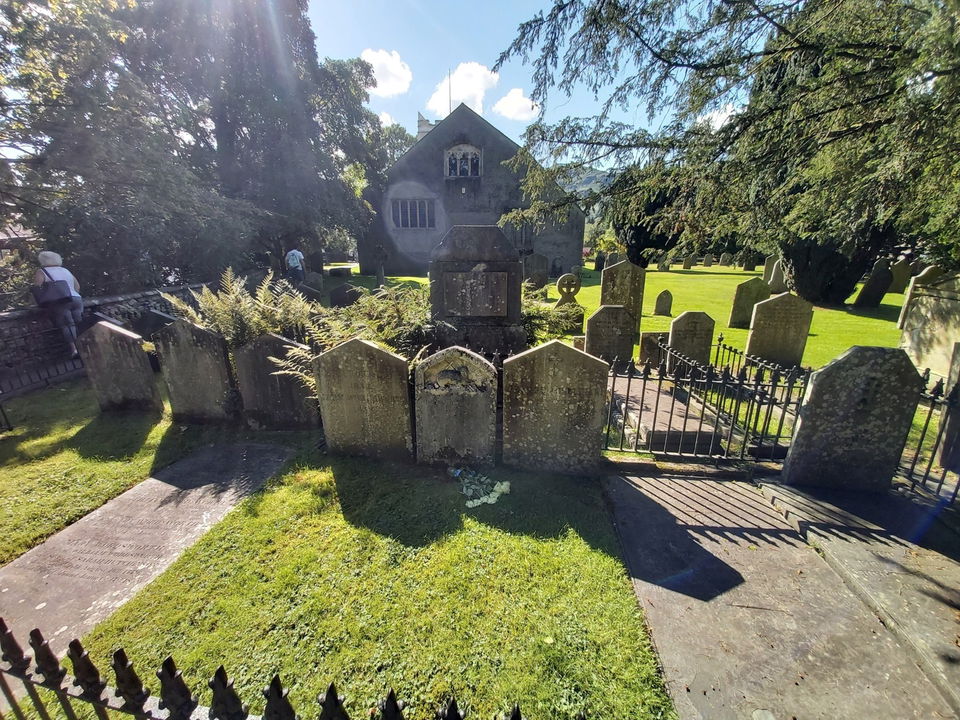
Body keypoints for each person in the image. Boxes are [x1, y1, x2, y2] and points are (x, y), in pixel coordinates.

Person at [33, 251, 83, 358]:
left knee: (67, 325)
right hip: (76, 299)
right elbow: (77, 286)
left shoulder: (42, 272)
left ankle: (75, 349)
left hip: (61, 301)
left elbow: (37, 288)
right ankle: (86, 346)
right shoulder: (65, 270)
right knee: (79, 322)